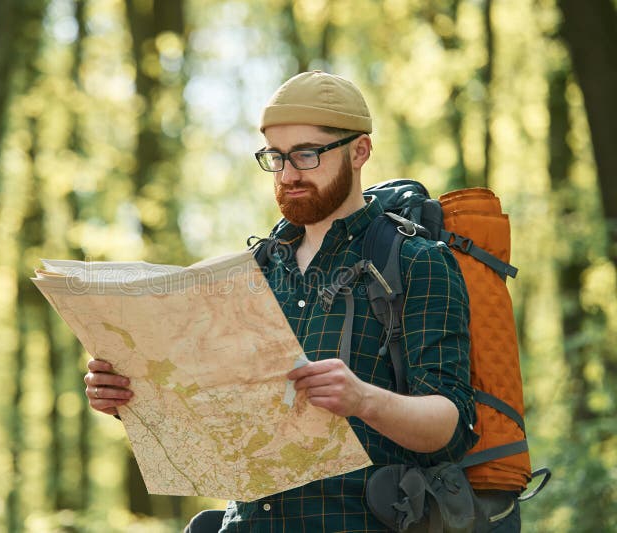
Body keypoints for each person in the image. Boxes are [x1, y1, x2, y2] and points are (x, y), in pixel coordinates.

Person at [84, 71, 478, 532]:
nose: (288, 174)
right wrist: (132, 395)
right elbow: (213, 417)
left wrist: (363, 400)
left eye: (307, 155)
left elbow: (452, 430)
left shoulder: (414, 260)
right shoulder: (251, 273)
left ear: (360, 151)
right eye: (276, 157)